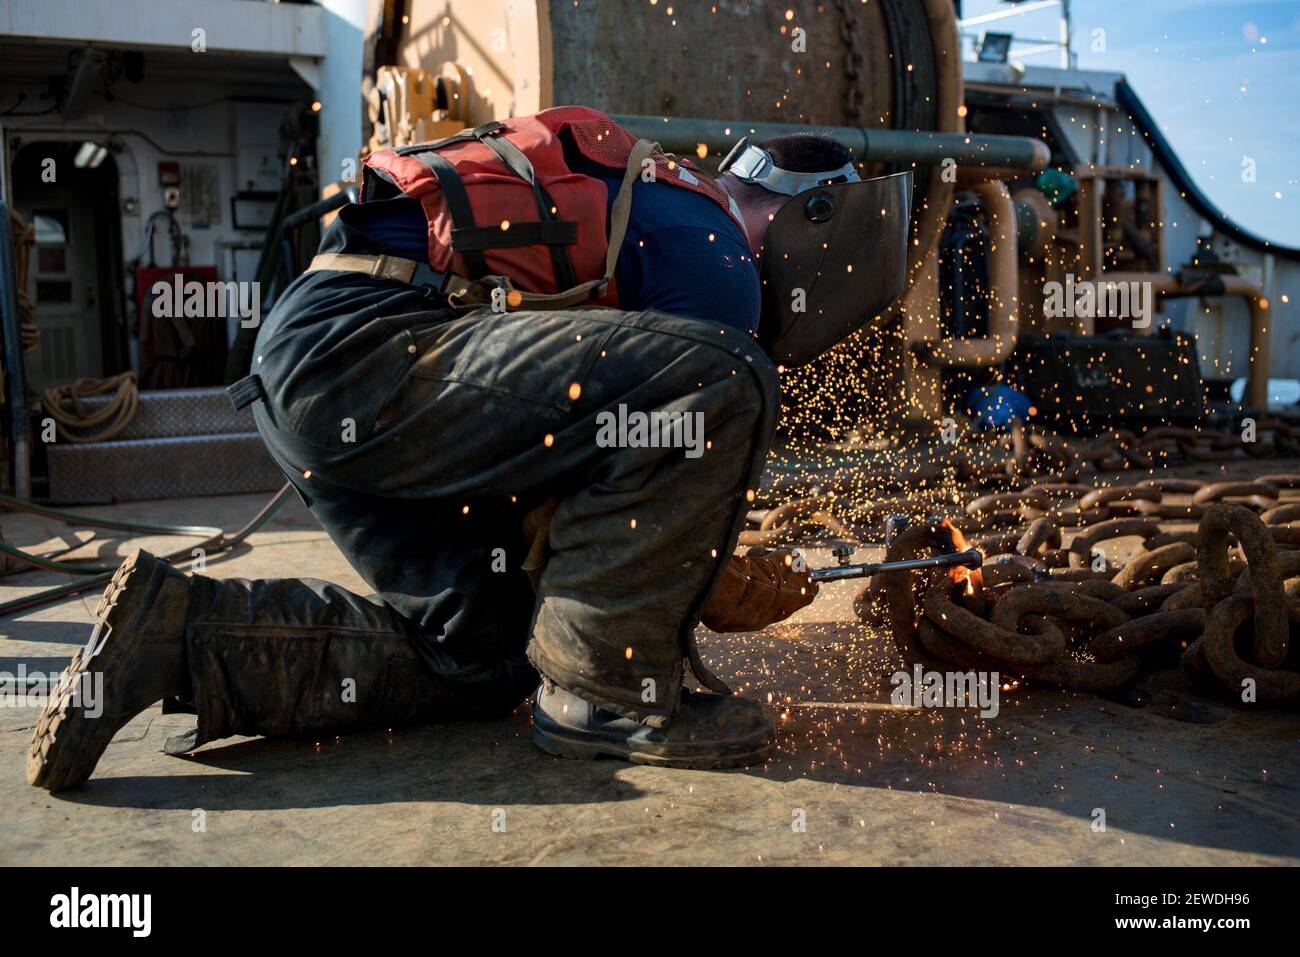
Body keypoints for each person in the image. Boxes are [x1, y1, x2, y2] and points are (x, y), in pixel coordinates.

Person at [28, 108, 908, 790]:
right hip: (370, 355)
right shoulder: (722, 259)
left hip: (318, 366)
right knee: (731, 375)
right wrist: (700, 575)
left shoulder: (664, 197)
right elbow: (667, 427)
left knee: (478, 656)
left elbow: (574, 437)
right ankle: (608, 697)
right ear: (814, 215)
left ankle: (173, 633)